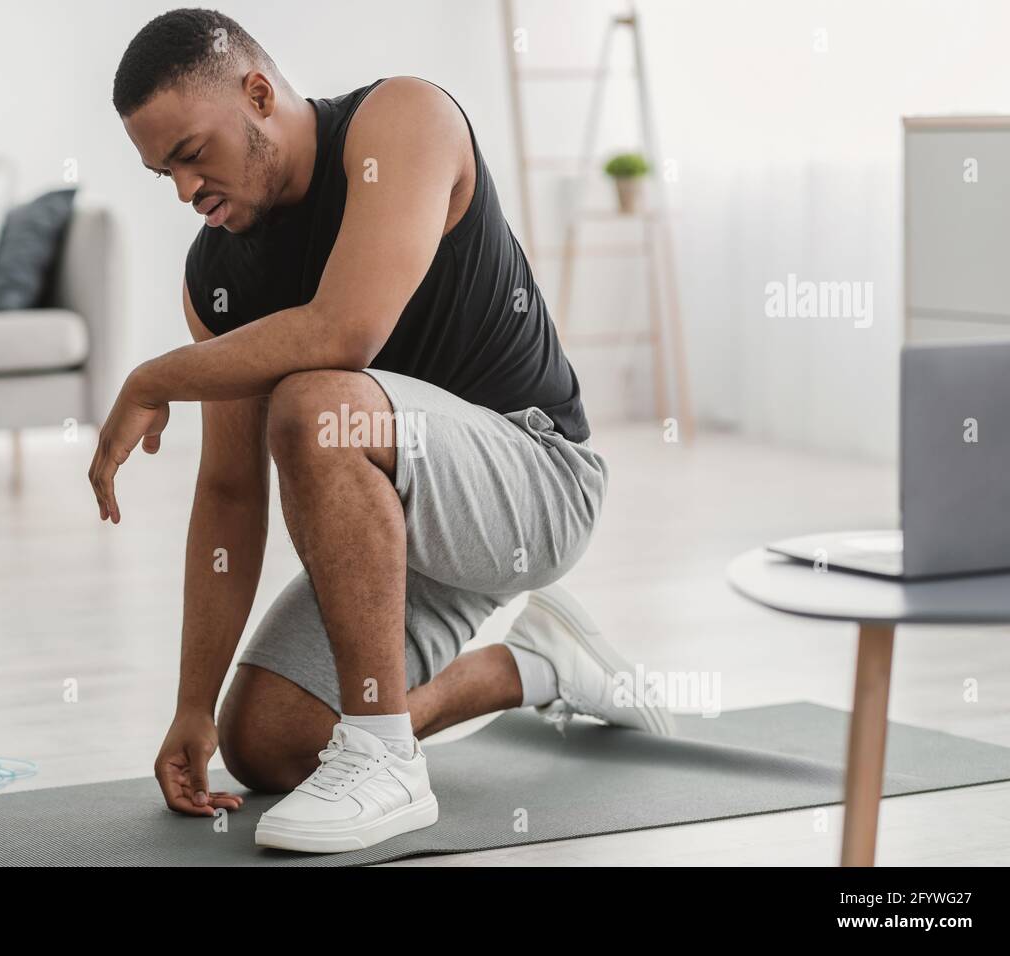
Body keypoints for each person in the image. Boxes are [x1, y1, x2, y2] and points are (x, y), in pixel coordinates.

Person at [91, 7, 672, 853]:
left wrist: (152, 377)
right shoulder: (214, 274)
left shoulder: (403, 120)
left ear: (258, 93)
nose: (186, 191)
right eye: (163, 175)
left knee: (317, 404)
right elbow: (228, 491)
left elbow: (343, 333)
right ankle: (538, 666)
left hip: (536, 482)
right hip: (405, 521)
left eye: (190, 155)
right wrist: (192, 704)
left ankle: (387, 761)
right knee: (269, 742)